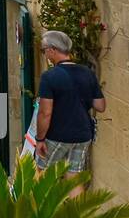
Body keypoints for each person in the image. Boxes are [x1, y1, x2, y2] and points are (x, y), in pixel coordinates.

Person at [35, 30, 106, 196]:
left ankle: (42, 212)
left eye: (44, 51)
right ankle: (77, 213)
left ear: (52, 50)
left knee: (42, 176)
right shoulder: (87, 73)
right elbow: (100, 105)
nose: (45, 55)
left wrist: (40, 139)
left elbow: (45, 113)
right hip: (82, 134)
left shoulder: (49, 77)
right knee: (73, 179)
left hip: (58, 135)